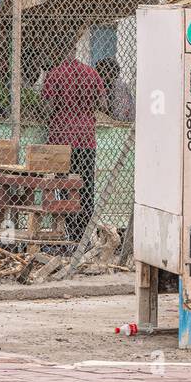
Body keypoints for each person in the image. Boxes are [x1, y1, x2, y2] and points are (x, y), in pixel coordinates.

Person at [41, 32, 107, 239]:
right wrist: (85, 108)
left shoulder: (54, 74)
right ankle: (84, 233)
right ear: (74, 50)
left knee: (62, 184)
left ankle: (67, 229)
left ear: (56, 51)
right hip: (86, 137)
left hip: (61, 138)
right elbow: (103, 104)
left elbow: (48, 107)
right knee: (86, 185)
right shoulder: (91, 73)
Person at [95, 58, 135, 123]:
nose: (100, 75)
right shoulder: (98, 83)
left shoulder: (120, 86)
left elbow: (122, 112)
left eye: (103, 72)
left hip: (119, 121)